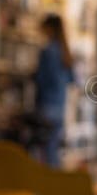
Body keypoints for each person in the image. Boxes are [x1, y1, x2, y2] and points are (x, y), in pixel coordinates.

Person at [34, 13, 74, 168]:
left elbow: (42, 79)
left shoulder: (48, 51)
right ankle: (55, 186)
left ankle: (46, 187)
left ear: (49, 29)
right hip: (60, 106)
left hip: (46, 105)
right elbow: (71, 80)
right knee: (53, 151)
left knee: (43, 152)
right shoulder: (65, 52)